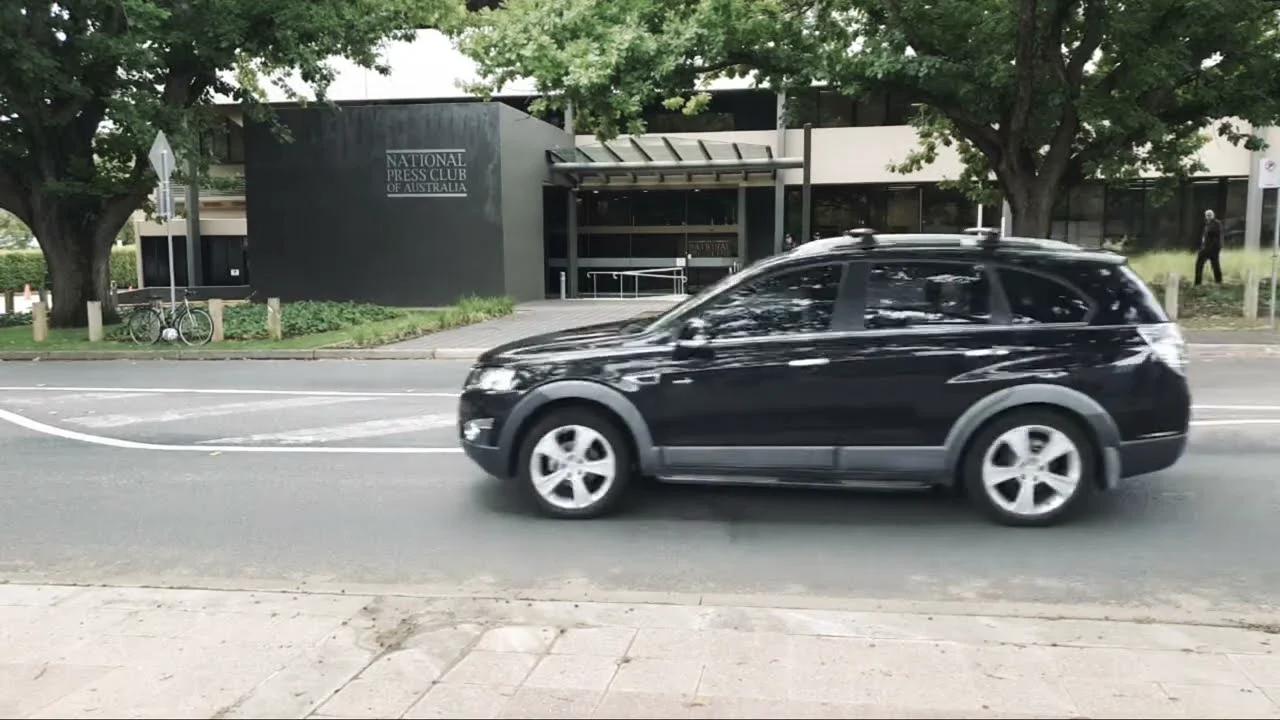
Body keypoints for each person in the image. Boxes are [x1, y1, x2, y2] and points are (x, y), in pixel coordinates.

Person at [1195, 209, 1223, 285]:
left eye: (1210, 215)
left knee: (1213, 264)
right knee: (1214, 264)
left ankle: (1218, 281)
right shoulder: (1207, 224)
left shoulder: (1216, 223)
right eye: (1207, 215)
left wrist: (1206, 247)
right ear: (1205, 216)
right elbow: (1205, 237)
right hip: (1207, 247)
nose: (1209, 216)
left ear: (1213, 215)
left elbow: (1214, 235)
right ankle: (1198, 282)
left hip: (1212, 248)